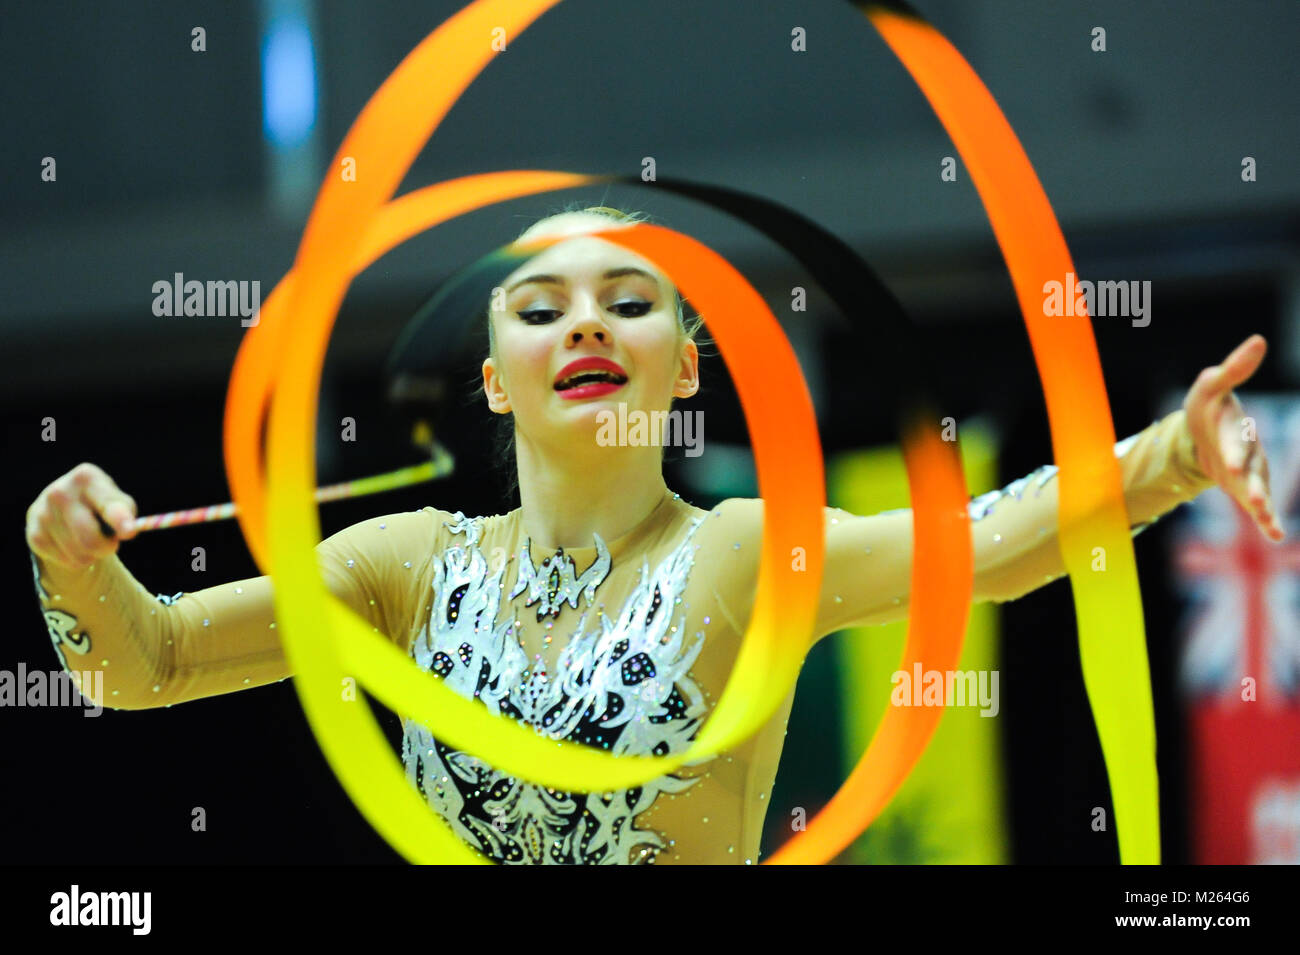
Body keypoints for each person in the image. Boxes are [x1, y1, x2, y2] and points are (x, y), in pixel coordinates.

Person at [24, 206, 1286, 865]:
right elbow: (148, 667)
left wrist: (1168, 454)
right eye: (541, 308)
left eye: (628, 305)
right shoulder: (399, 566)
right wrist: (69, 561)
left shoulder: (740, 552)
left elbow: (984, 543)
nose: (585, 327)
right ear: (494, 379)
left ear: (683, 370)